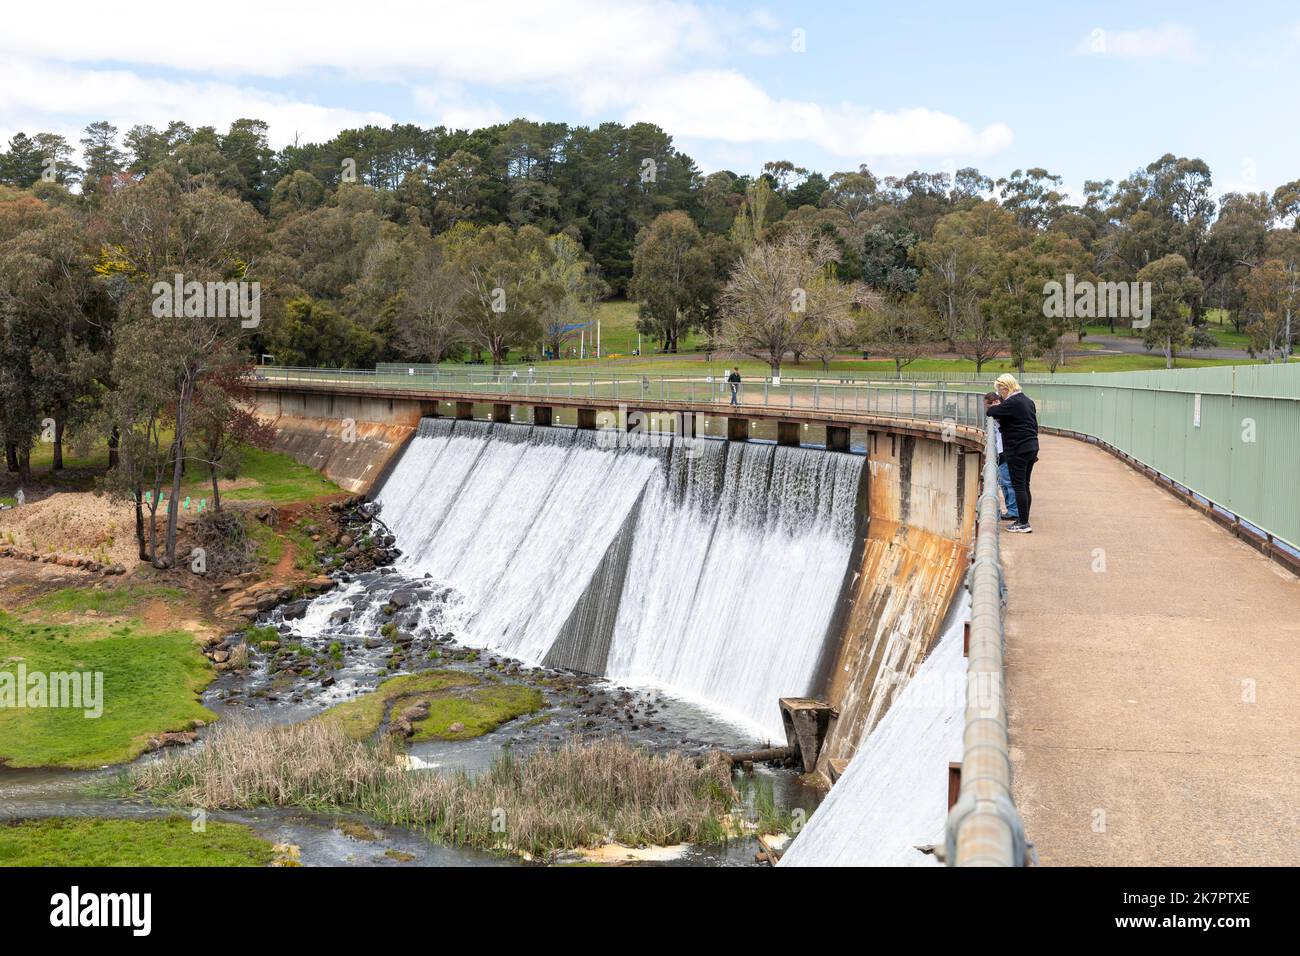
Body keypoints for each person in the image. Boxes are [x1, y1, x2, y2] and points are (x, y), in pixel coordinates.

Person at [985, 373, 1038, 533]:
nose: (1000, 395)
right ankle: (1023, 519)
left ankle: (1023, 523)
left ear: (1006, 388)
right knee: (1025, 485)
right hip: (1031, 446)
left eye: (1001, 391)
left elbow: (990, 412)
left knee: (1019, 486)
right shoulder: (1028, 401)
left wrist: (993, 407)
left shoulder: (1012, 402)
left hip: (1018, 449)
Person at [983, 392, 1019, 522]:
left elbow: (991, 413)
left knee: (1007, 482)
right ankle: (1013, 509)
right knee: (1004, 482)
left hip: (1006, 450)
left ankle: (1014, 511)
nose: (986, 409)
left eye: (987, 405)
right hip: (1002, 449)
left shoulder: (1001, 410)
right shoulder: (1001, 410)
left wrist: (995, 406)